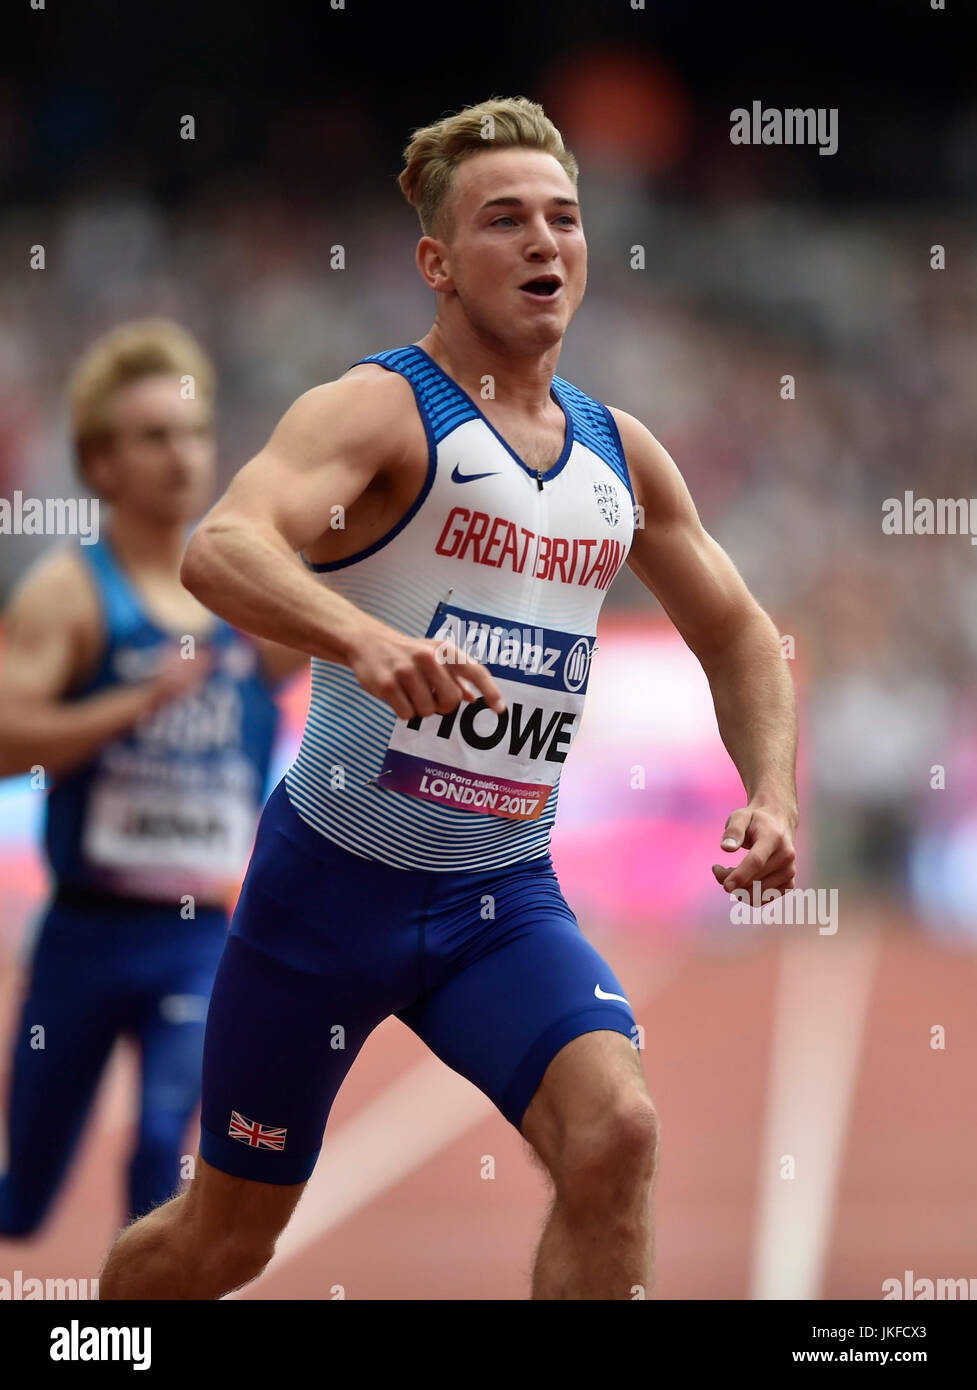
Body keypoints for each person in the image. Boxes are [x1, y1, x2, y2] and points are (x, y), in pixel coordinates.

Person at [99, 97, 797, 1301]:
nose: (544, 243)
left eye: (564, 219)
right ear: (435, 262)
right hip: (325, 893)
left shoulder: (616, 455)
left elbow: (737, 630)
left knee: (616, 1133)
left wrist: (774, 789)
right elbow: (220, 547)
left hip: (497, 896)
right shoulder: (379, 410)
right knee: (221, 1243)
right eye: (504, 220)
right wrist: (358, 636)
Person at [0, 320, 303, 1236]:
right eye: (153, 437)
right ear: (100, 463)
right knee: (23, 1201)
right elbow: (9, 741)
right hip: (84, 934)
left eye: (195, 433)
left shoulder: (255, 593)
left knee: (163, 1144)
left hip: (203, 938)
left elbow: (361, 633)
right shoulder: (71, 594)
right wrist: (130, 705)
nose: (182, 455)